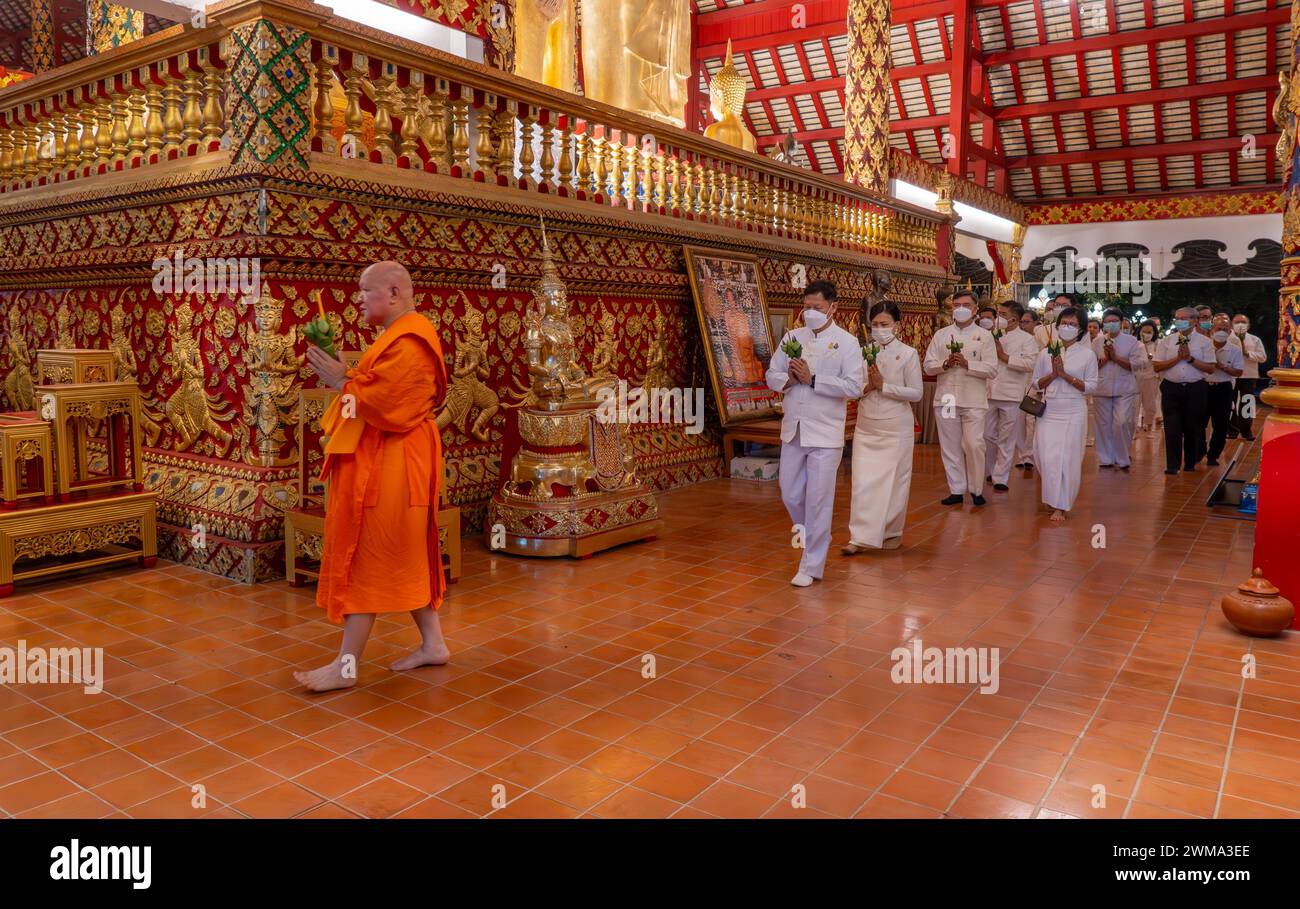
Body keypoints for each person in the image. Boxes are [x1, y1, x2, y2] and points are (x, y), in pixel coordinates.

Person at [294, 261, 451, 692]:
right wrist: (343, 375)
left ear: (395, 293)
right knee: (402, 554)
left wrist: (341, 382)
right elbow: (373, 385)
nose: (358, 297)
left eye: (366, 290)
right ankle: (433, 644)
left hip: (396, 461)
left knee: (367, 552)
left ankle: (346, 667)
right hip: (392, 455)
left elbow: (390, 404)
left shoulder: (414, 339)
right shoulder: (395, 335)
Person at [766, 280, 864, 587]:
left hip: (825, 431)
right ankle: (815, 532)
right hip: (794, 428)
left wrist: (813, 379)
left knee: (819, 500)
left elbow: (854, 386)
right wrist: (789, 380)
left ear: (833, 308)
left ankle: (811, 565)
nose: (810, 313)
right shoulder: (792, 337)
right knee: (791, 493)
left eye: (817, 308)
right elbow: (771, 374)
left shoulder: (847, 343)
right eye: (806, 307)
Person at [843, 301, 921, 554]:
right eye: (875, 325)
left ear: (896, 326)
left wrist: (884, 385)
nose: (879, 329)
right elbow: (852, 387)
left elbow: (916, 393)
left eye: (884, 324)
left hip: (895, 425)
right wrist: (868, 386)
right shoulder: (863, 351)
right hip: (867, 424)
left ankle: (891, 531)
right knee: (863, 481)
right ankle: (859, 537)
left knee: (895, 480)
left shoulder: (909, 353)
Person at [923, 289, 998, 506]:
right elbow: (928, 365)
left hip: (973, 398)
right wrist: (944, 364)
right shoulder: (942, 335)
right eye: (957, 305)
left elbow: (992, 369)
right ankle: (956, 489)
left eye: (966, 305)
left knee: (974, 443)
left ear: (975, 309)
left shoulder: (985, 336)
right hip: (946, 398)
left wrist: (968, 364)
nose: (961, 309)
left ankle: (976, 489)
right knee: (950, 444)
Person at [1031, 306, 1098, 524]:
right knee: (1045, 457)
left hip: (1073, 411)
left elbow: (1091, 387)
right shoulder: (1046, 352)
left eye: (1072, 324)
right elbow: (1036, 384)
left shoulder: (1087, 355)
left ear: (1080, 329)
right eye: (1063, 323)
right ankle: (1052, 497)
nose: (1066, 327)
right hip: (1049, 410)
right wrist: (1053, 374)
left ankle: (1061, 504)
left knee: (1067, 459)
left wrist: (1065, 376)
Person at [1151, 306, 1216, 474]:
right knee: (1171, 426)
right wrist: (1178, 358)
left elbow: (1210, 368)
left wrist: (1190, 359)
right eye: (1177, 318)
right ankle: (1172, 465)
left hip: (1196, 388)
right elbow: (1157, 365)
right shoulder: (1167, 340)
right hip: (1171, 387)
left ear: (1194, 321)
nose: (1179, 321)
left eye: (1183, 318)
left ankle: (1190, 463)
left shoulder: (1205, 342)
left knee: (1193, 427)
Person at [983, 301, 1037, 491]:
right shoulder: (988, 336)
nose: (998, 318)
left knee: (1007, 438)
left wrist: (1003, 356)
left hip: (1011, 393)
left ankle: (1001, 477)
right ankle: (989, 470)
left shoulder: (1026, 339)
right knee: (987, 435)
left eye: (1002, 314)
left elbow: (1030, 364)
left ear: (1013, 318)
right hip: (989, 391)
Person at [1091, 308, 1147, 471]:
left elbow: (1139, 364)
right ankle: (1105, 457)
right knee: (1103, 424)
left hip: (1124, 388)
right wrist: (1106, 359)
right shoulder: (1097, 342)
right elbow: (1092, 365)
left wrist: (1116, 358)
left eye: (1114, 321)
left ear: (1121, 323)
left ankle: (1122, 457)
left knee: (1121, 422)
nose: (1111, 324)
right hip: (1102, 387)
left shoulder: (1132, 342)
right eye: (1107, 321)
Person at [1205, 313, 1244, 467]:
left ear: (1229, 332)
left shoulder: (1234, 349)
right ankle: (1198, 450)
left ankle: (1213, 455)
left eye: (1225, 329)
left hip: (1223, 388)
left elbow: (1239, 372)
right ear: (1212, 330)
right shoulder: (1204, 346)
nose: (1221, 331)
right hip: (1204, 387)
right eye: (1218, 328)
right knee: (1198, 421)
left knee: (1220, 424)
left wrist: (1223, 367)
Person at [1228, 313, 1267, 441]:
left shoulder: (1255, 340)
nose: (1240, 324)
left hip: (1249, 375)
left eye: (1243, 322)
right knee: (1230, 403)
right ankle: (1232, 429)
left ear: (1248, 325)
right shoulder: (1227, 339)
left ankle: (1246, 430)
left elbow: (1262, 357)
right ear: (1231, 324)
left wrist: (1248, 353)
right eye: (1237, 322)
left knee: (1247, 403)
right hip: (1231, 375)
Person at [1016, 309, 1043, 471]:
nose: (1023, 325)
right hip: (1018, 384)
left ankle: (1030, 456)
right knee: (1019, 421)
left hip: (1035, 385)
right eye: (1021, 322)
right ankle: (1021, 454)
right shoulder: (1017, 340)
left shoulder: (1040, 340)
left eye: (1026, 322)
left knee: (1031, 421)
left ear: (1035, 323)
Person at [1135, 320, 1161, 433]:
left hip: (1151, 378)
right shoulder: (1135, 344)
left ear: (1154, 332)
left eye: (1149, 332)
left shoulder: (1157, 344)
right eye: (1144, 331)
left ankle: (1148, 425)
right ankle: (1134, 427)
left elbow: (1160, 360)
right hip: (1136, 378)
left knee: (1150, 405)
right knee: (1135, 404)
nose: (1146, 334)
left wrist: (1151, 357)